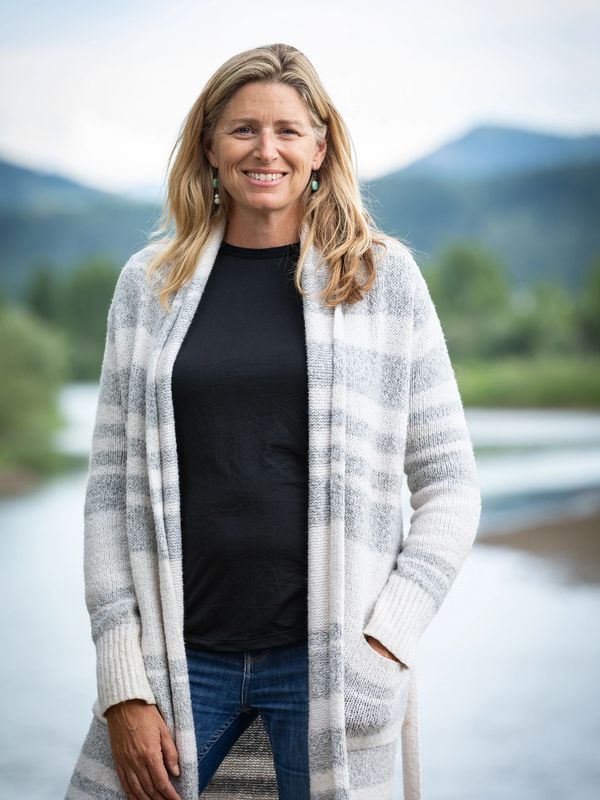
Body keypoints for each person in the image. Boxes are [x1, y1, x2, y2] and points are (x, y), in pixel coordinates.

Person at [66, 42, 481, 800]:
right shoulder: (150, 287)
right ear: (209, 147)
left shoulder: (381, 280)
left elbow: (451, 485)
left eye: (288, 130)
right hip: (179, 659)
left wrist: (385, 641)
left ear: (320, 147)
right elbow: (108, 494)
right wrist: (122, 681)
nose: (267, 150)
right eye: (243, 129)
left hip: (327, 661)